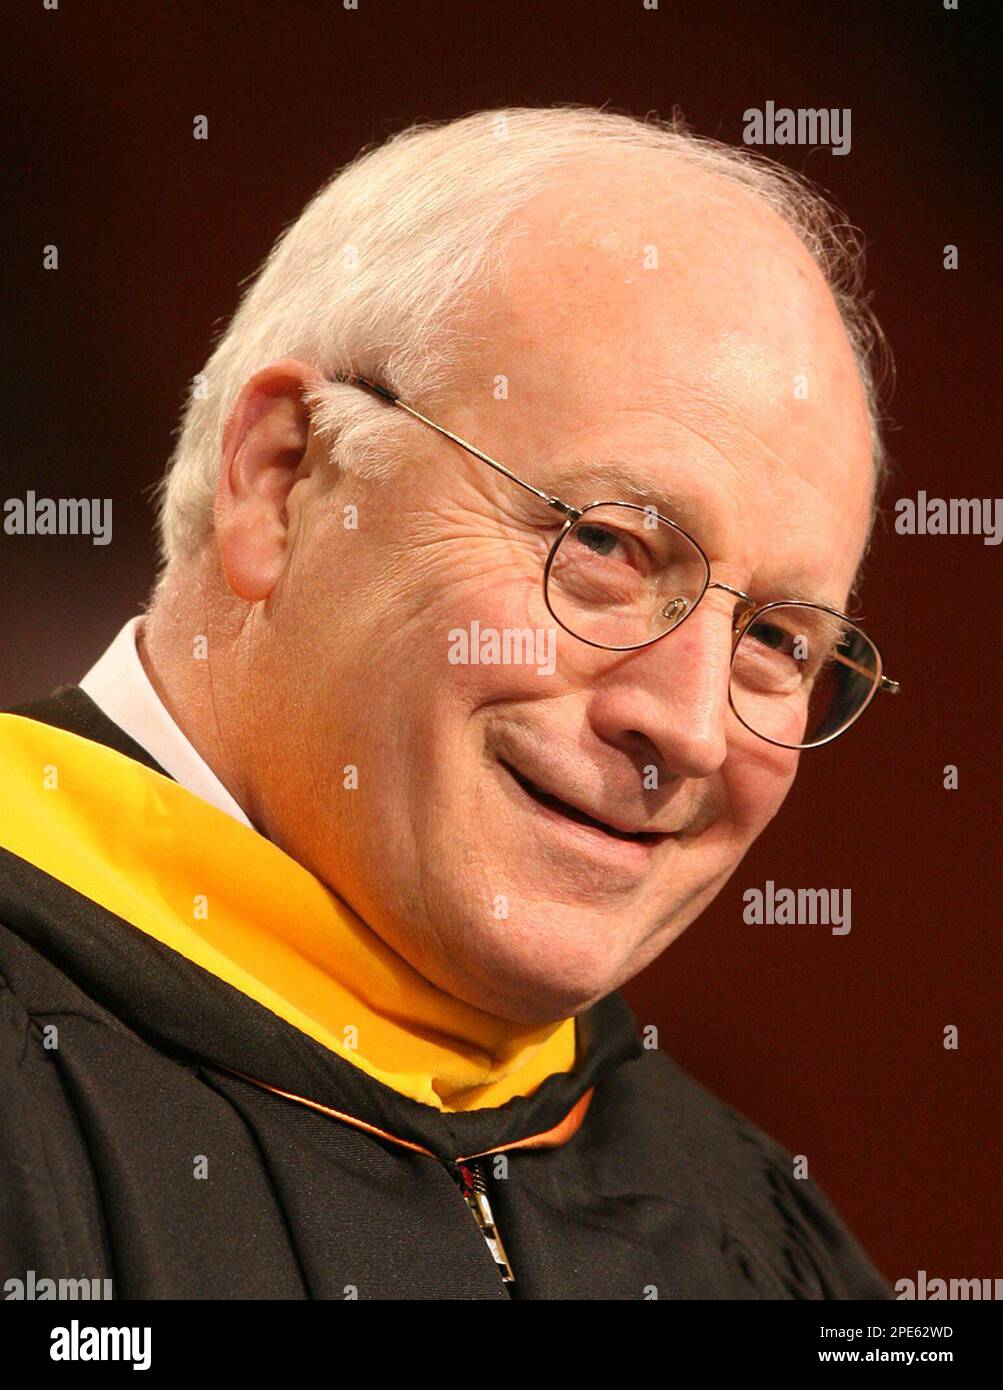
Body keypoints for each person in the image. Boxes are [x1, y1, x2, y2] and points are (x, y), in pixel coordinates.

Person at [0, 105, 899, 1300]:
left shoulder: (754, 1239)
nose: (685, 728)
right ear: (283, 481)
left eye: (778, 638)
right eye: (612, 547)